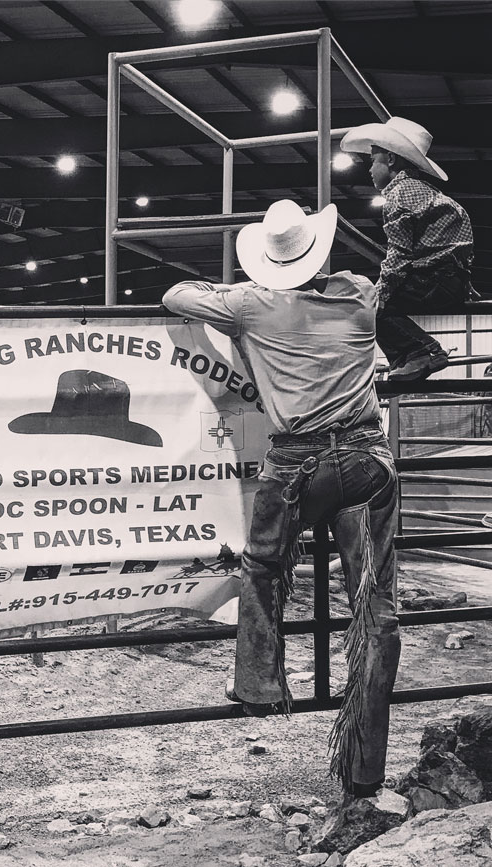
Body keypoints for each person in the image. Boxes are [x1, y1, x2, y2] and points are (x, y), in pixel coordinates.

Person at [161, 199, 400, 803]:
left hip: (296, 464)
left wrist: (241, 288)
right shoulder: (357, 297)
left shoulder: (249, 305)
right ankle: (366, 761)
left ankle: (261, 687)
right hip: (367, 461)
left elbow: (177, 296)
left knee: (263, 570)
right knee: (374, 602)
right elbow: (378, 286)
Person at [340, 117, 475, 381]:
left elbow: (399, 257)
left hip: (436, 280)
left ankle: (423, 351)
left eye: (373, 160)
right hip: (451, 279)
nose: (369, 169)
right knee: (377, 301)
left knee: (367, 302)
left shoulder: (398, 196)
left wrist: (379, 293)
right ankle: (407, 358)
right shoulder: (423, 190)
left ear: (390, 159)